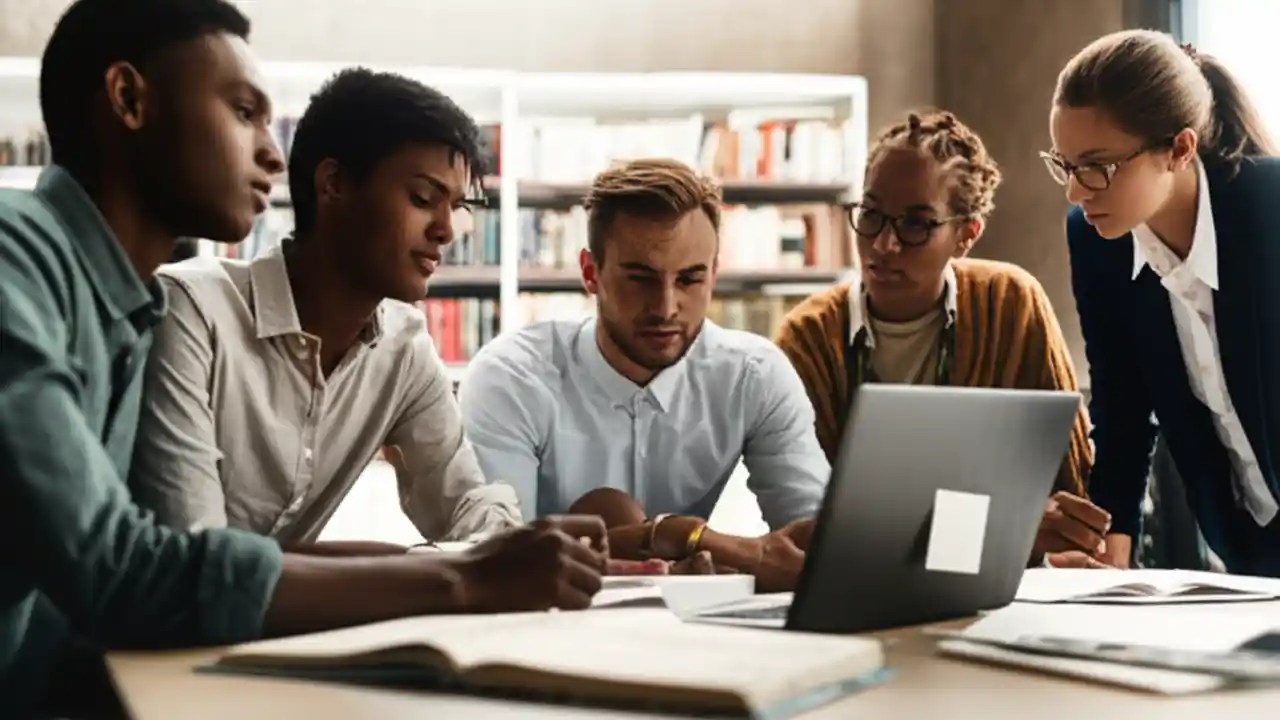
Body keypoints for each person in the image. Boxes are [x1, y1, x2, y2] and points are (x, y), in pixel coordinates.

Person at [0, 1, 603, 714]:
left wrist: (484, 559)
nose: (270, 154)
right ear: (129, 99)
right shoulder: (23, 260)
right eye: (244, 111)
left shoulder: (129, 310)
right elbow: (131, 569)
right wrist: (462, 579)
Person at [130, 68, 522, 550]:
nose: (447, 229)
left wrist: (521, 542)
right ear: (333, 183)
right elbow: (198, 560)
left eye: (458, 207)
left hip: (273, 623)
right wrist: (418, 568)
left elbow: (461, 504)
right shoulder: (191, 312)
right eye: (423, 198)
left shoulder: (404, 347)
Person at [458, 158, 829, 591]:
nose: (666, 307)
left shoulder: (754, 375)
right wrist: (695, 540)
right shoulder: (511, 377)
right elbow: (497, 556)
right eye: (641, 278)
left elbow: (813, 540)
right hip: (546, 626)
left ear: (713, 274)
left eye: (690, 279)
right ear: (590, 273)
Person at [775, 110, 1109, 569]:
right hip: (863, 590)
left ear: (966, 235)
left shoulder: (1011, 304)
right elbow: (814, 530)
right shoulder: (808, 338)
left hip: (1010, 587)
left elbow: (1072, 496)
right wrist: (1007, 525)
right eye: (870, 215)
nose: (883, 245)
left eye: (916, 225)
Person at [1051, 29, 1280, 575]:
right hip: (1245, 543)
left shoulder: (1270, 208)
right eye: (1063, 164)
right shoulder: (1095, 239)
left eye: (1097, 166)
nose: (1076, 192)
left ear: (1179, 149)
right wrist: (1114, 535)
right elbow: (1121, 402)